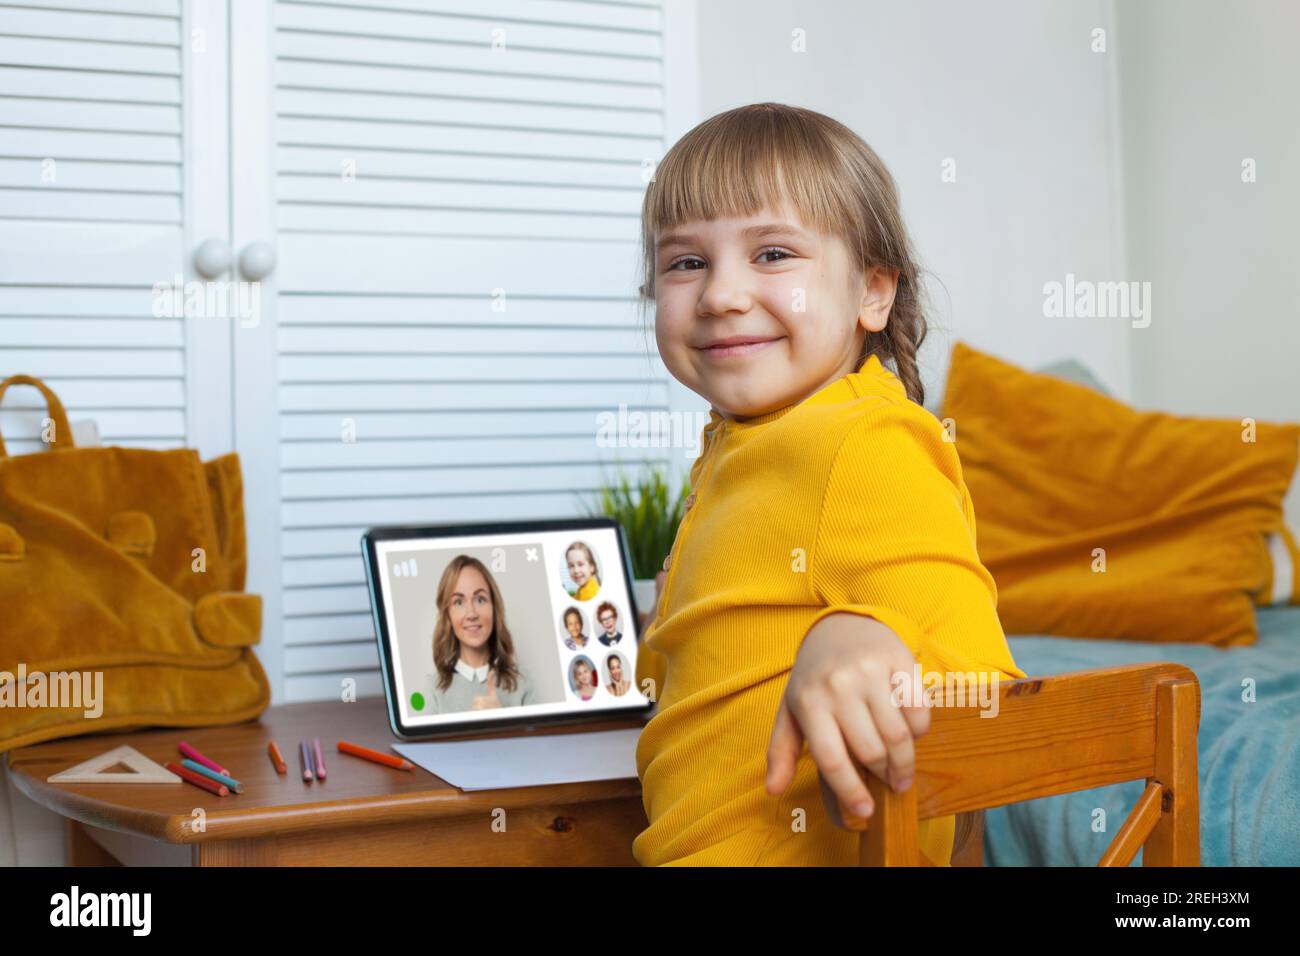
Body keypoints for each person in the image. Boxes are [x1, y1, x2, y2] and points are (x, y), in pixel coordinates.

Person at [630, 103, 1026, 867]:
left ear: (873, 294)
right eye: (685, 262)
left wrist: (864, 636)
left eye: (773, 254)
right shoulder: (742, 447)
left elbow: (990, 696)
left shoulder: (865, 441)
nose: (720, 294)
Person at [424, 554, 535, 715]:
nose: (471, 614)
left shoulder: (523, 683)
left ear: (494, 608)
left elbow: (537, 741)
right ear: (448, 614)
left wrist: (503, 718)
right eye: (459, 602)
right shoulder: (433, 689)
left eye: (480, 599)